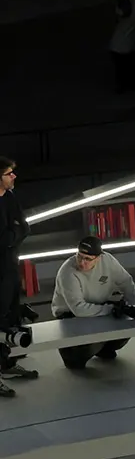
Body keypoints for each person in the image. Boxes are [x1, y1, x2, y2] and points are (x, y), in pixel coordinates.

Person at [52, 237, 135, 369]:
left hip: (99, 306)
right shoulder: (68, 272)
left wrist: (131, 306)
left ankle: (104, 348)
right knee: (88, 347)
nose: (82, 262)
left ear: (98, 258)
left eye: (87, 259)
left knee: (125, 328)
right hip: (70, 314)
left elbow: (126, 282)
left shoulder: (108, 260)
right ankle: (71, 354)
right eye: (79, 256)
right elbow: (78, 309)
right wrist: (110, 309)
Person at [0, 158, 31, 394]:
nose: (14, 177)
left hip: (9, 266)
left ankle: (7, 364)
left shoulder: (9, 197)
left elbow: (24, 227)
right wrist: (13, 234)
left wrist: (11, 235)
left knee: (11, 317)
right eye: (9, 173)